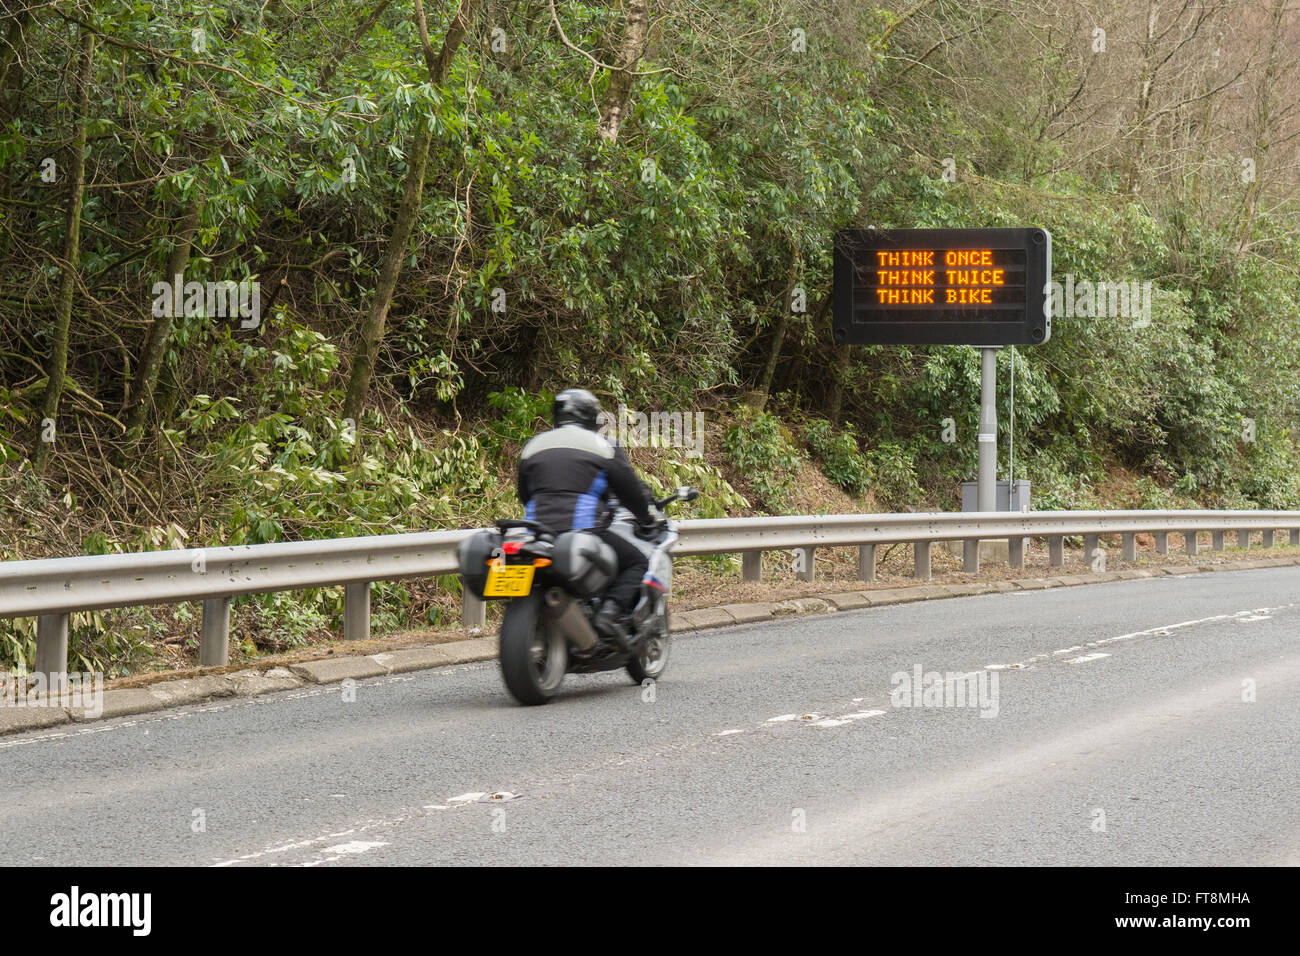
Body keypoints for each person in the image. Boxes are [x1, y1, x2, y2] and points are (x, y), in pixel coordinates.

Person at [516, 388, 662, 650]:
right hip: (583, 531)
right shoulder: (603, 446)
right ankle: (608, 614)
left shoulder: (533, 446)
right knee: (637, 562)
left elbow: (525, 494)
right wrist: (647, 519)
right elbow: (630, 493)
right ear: (592, 417)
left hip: (537, 534)